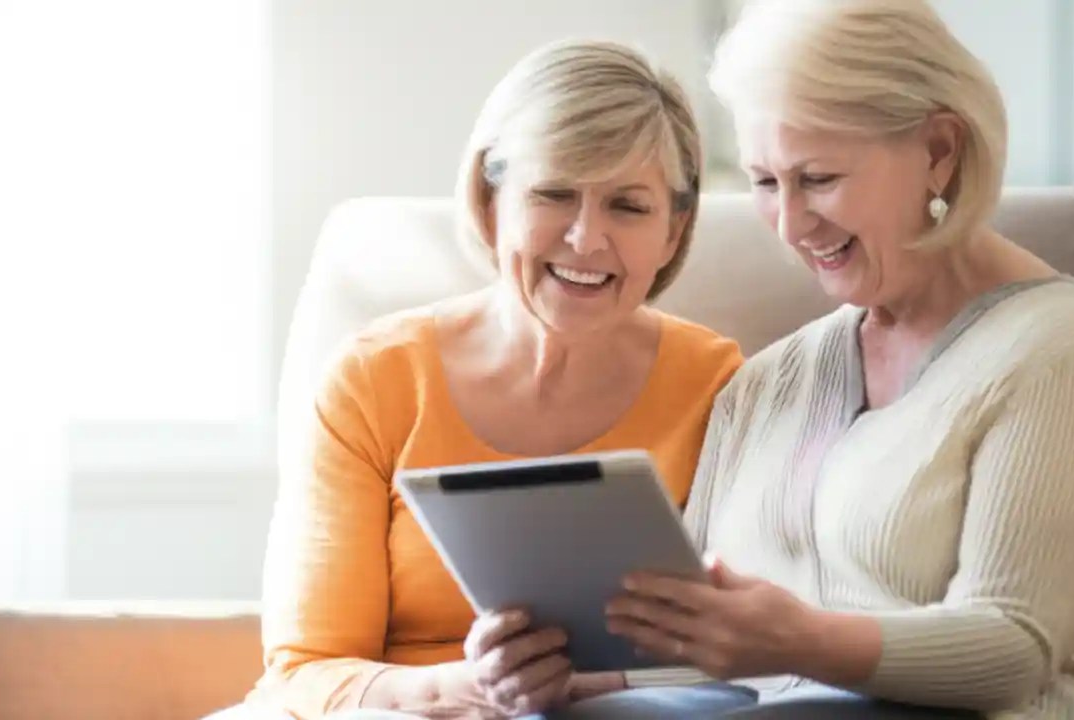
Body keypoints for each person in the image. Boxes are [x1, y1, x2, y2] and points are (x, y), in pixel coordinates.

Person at [587, 0, 1074, 718]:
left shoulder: (1061, 353)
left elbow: (1014, 650)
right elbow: (685, 644)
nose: (790, 224)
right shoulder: (765, 381)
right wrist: (571, 677)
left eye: (818, 178)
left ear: (939, 152)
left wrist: (801, 640)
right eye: (765, 182)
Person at [205, 39, 743, 720]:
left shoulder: (720, 386)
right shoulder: (376, 379)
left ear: (675, 229)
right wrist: (470, 687)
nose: (584, 238)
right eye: (554, 194)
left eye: (628, 206)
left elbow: (733, 652)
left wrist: (581, 687)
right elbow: (308, 670)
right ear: (491, 202)